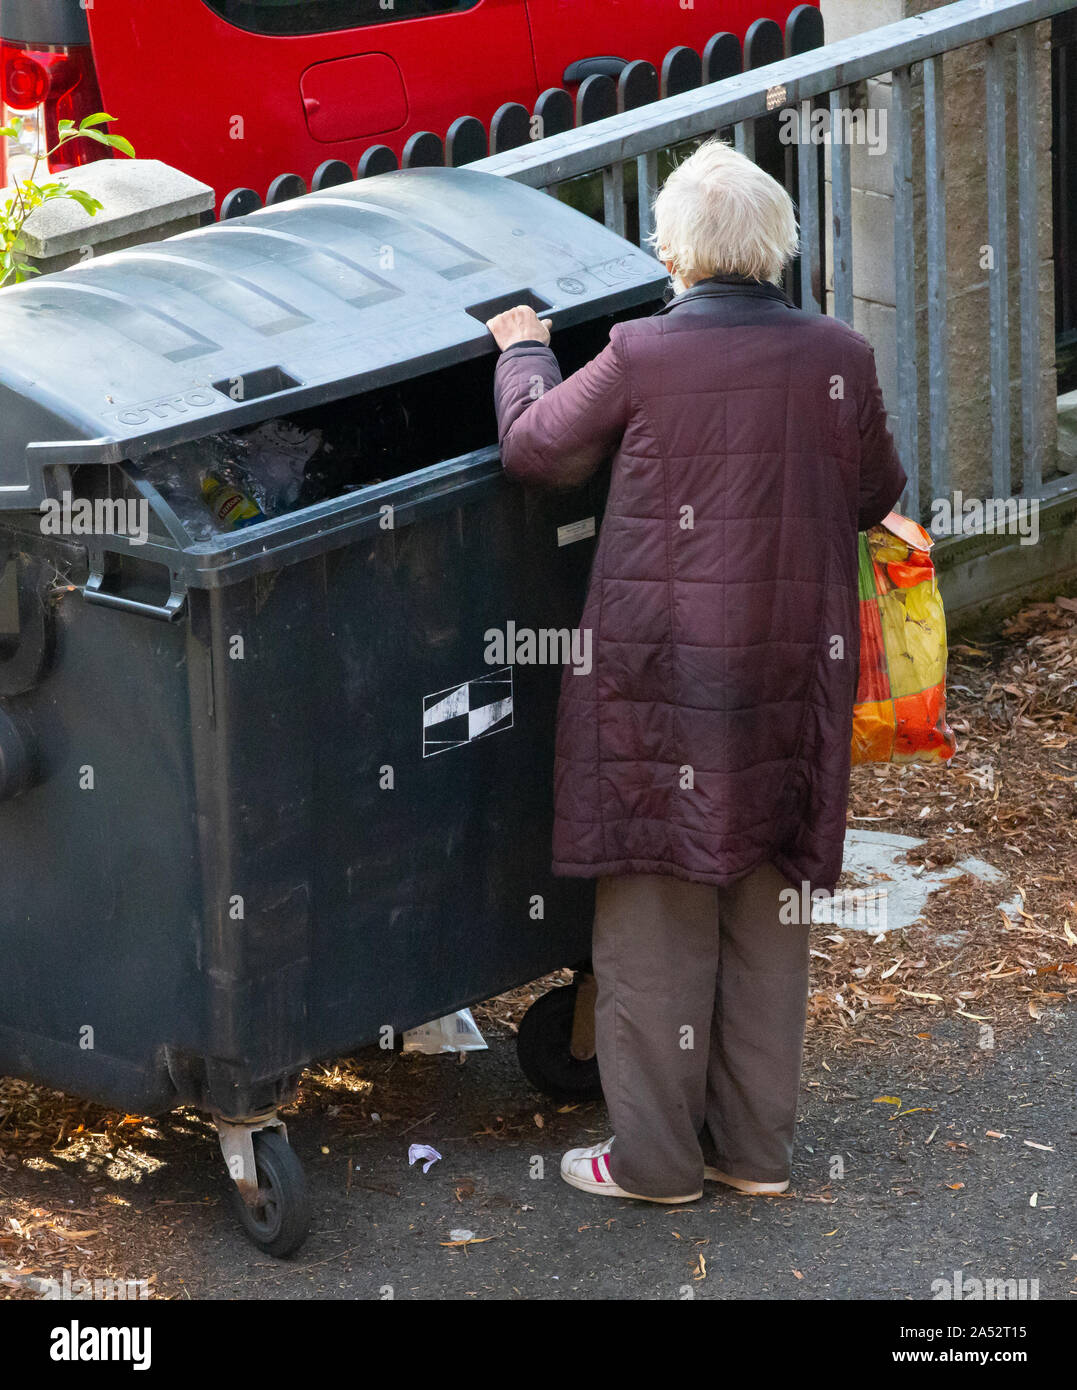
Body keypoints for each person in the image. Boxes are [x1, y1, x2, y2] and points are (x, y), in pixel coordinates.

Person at [486, 139, 906, 1205]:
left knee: (658, 916)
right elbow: (874, 492)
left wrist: (524, 351)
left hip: (662, 684)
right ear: (777, 247)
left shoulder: (641, 350)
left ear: (672, 250)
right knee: (767, 904)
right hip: (789, 680)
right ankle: (754, 1153)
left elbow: (537, 451)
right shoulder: (840, 354)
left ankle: (657, 1164)